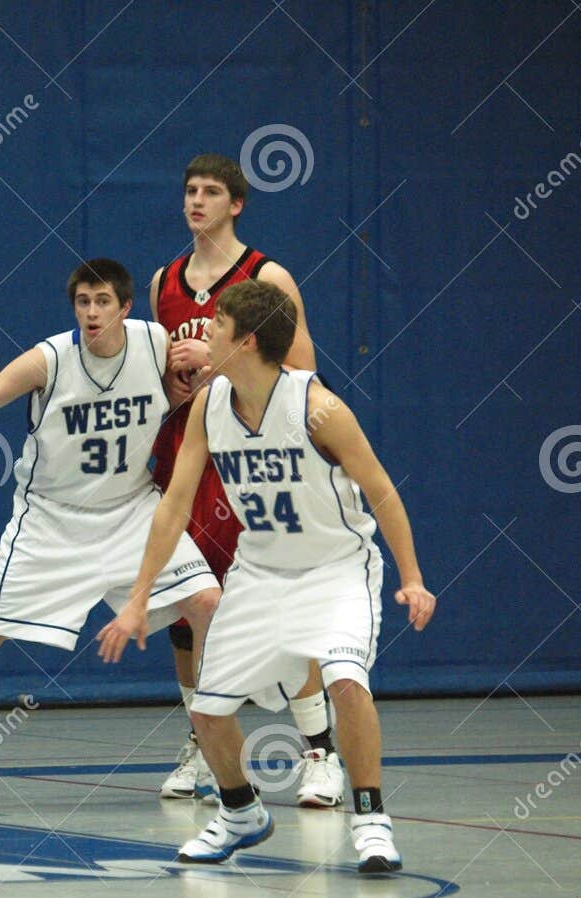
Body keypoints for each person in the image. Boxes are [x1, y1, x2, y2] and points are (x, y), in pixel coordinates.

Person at [97, 279, 435, 874]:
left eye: (217, 325)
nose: (204, 332)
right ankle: (240, 813)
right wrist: (138, 598)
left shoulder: (319, 407)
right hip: (259, 571)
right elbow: (173, 505)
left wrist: (412, 576)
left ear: (246, 341)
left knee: (345, 679)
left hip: (334, 569)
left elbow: (381, 491)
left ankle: (371, 818)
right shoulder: (209, 403)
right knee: (207, 707)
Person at [0, 259, 219, 811]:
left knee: (207, 602)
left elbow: (209, 379)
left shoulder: (156, 343)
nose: (92, 312)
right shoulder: (49, 358)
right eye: (83, 301)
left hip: (131, 511)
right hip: (52, 521)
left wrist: (210, 363)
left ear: (126, 307)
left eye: (103, 301)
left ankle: (207, 744)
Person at [149, 153, 342, 809]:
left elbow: (305, 365)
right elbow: (166, 383)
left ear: (237, 204)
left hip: (253, 460)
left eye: (211, 192)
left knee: (278, 605)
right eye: (190, 190)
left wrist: (221, 357)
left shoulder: (267, 275)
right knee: (187, 609)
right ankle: (206, 745)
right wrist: (174, 373)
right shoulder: (164, 281)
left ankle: (321, 755)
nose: (196, 201)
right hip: (187, 453)